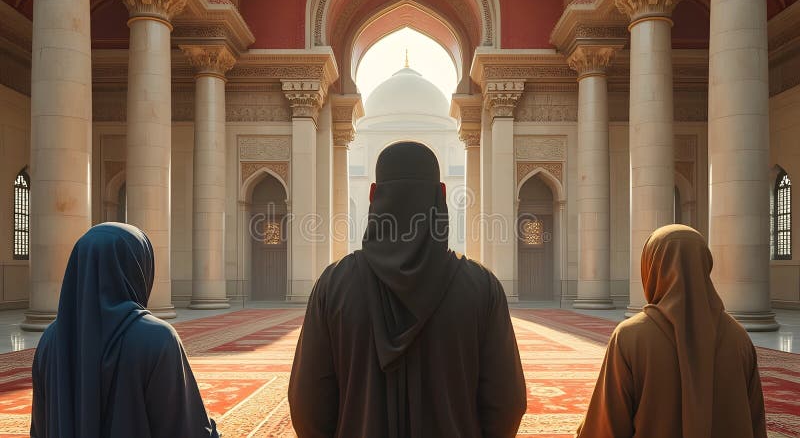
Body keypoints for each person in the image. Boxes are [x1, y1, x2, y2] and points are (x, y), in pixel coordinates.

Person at [289, 141, 527, 437]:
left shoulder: (334, 285)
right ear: (441, 195)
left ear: (374, 196)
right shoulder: (481, 288)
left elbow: (307, 406)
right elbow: (507, 404)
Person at [576, 224, 768, 438]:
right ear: (705, 265)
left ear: (651, 267)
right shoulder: (737, 337)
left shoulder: (631, 337)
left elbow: (606, 426)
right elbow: (755, 421)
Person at [30, 222, 219, 438]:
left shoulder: (51, 339)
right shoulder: (157, 338)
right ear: (137, 268)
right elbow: (185, 430)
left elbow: (40, 430)